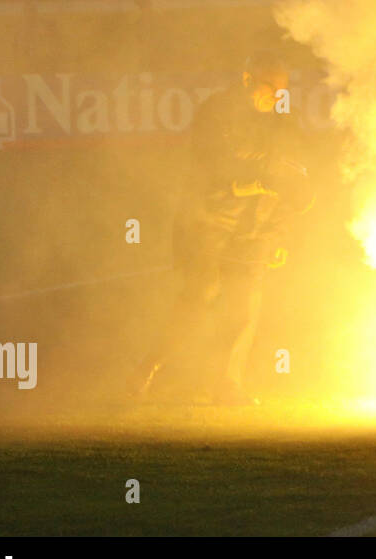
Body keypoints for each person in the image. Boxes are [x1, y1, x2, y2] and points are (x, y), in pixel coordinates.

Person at [129, 50, 313, 405]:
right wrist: (258, 183)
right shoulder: (216, 113)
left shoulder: (283, 124)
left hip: (256, 229)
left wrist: (281, 233)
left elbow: (293, 182)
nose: (276, 97)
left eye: (281, 90)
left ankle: (226, 386)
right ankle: (149, 368)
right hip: (210, 223)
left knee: (244, 307)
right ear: (247, 80)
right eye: (269, 88)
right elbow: (212, 173)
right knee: (200, 297)